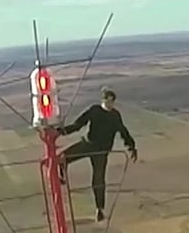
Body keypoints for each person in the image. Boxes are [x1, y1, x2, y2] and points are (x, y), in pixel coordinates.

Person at [58, 87, 138, 222]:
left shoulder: (115, 116)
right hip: (88, 144)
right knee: (62, 157)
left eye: (112, 101)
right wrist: (62, 131)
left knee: (98, 180)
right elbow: (79, 124)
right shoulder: (95, 110)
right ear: (103, 100)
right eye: (108, 101)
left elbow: (123, 132)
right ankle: (62, 175)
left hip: (101, 151)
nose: (110, 104)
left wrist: (131, 146)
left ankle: (99, 209)